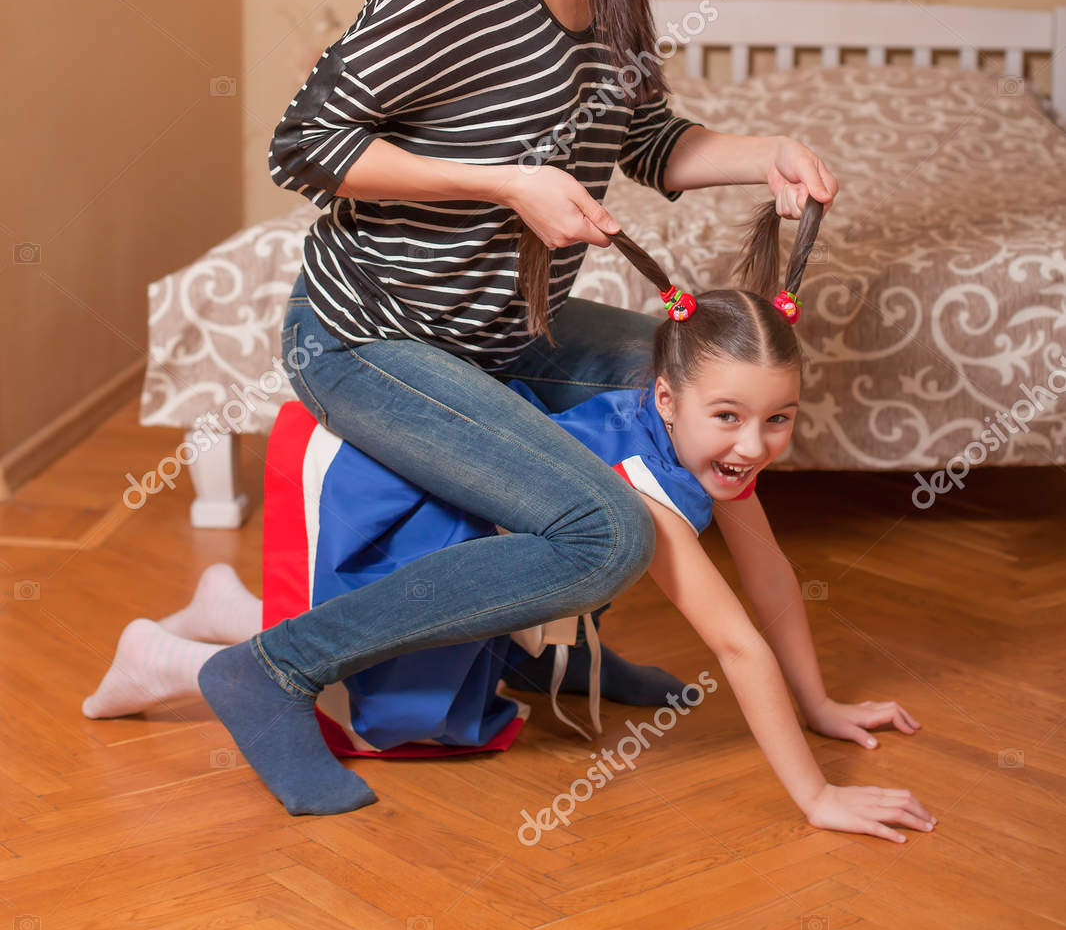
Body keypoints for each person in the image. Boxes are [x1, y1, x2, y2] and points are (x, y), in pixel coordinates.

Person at [195, 0, 840, 816]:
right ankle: (271, 667)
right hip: (376, 338)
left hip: (508, 327)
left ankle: (546, 650)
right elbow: (307, 142)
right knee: (597, 531)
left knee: (699, 368)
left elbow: (641, 138)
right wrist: (504, 184)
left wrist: (765, 154)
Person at [86, 200, 936, 846]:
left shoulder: (713, 448)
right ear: (667, 399)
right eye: (730, 418)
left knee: (506, 620)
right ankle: (168, 658)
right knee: (404, 710)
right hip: (430, 545)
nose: (754, 445)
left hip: (503, 572)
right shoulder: (641, 479)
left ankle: (226, 605)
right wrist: (817, 797)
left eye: (778, 420)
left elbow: (771, 579)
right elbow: (737, 643)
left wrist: (820, 703)